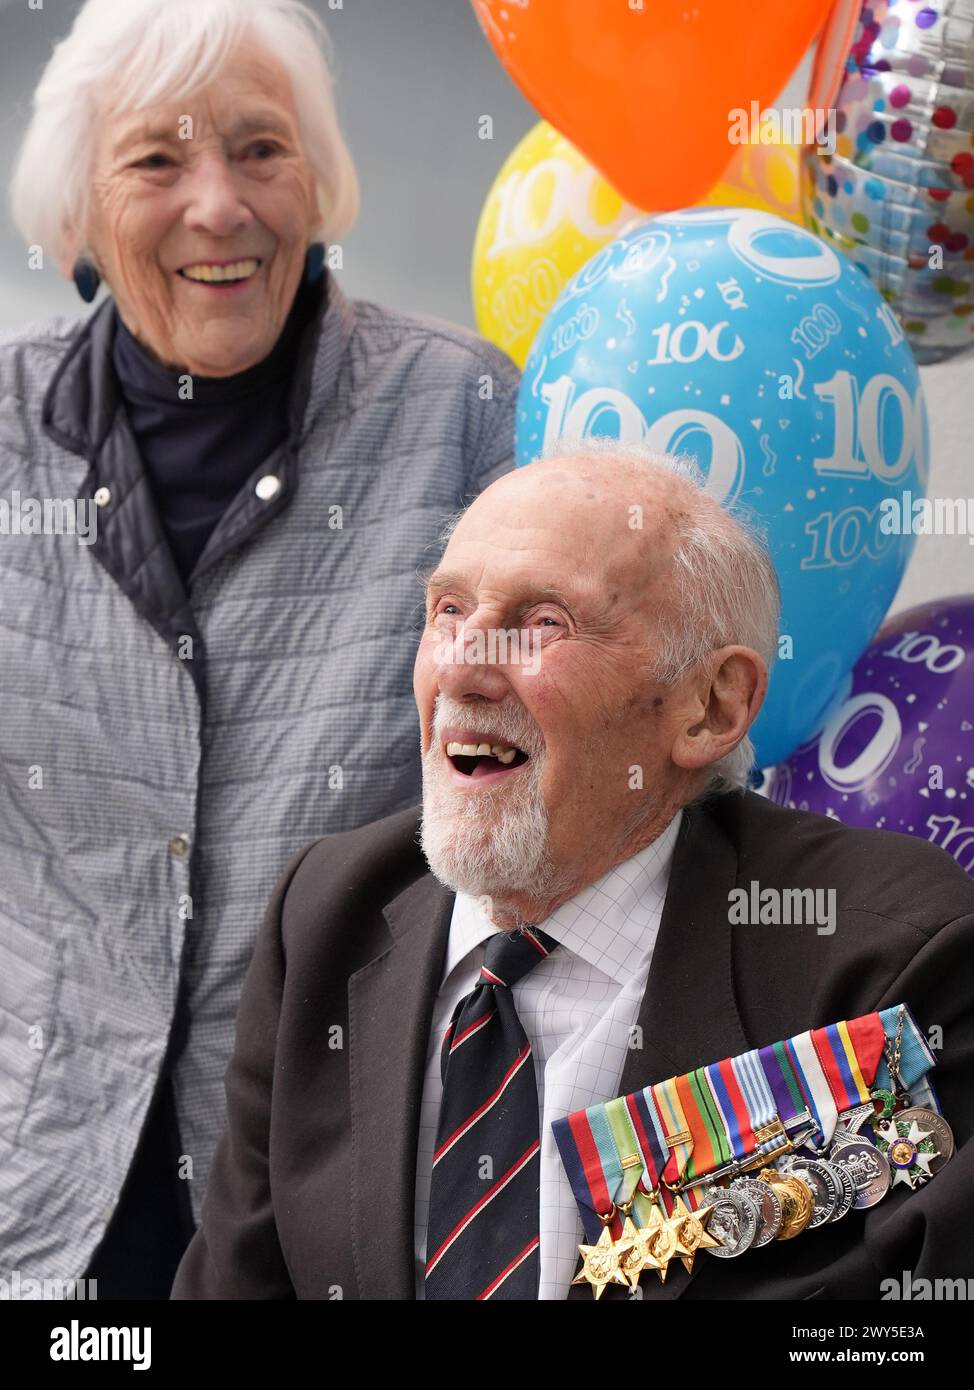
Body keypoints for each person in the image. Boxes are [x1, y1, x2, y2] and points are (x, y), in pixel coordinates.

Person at [172, 435, 974, 1300]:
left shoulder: (885, 959)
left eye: (541, 624)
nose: (463, 670)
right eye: (448, 611)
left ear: (711, 705)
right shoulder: (329, 913)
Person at [0, 0, 518, 1297]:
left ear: (319, 179)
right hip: (37, 1170)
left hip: (343, 1173)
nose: (219, 207)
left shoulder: (461, 414)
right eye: (157, 160)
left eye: (260, 150)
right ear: (75, 205)